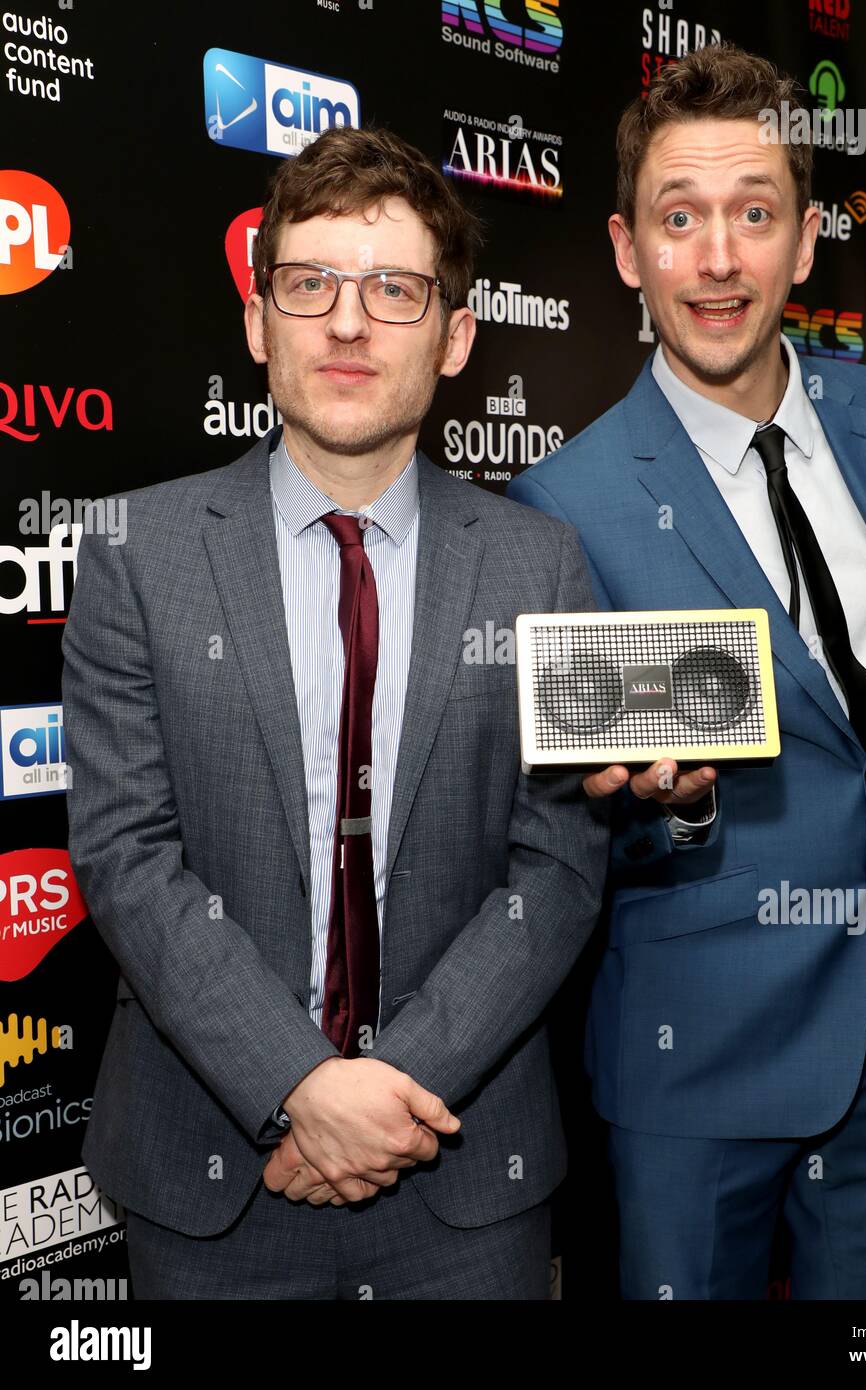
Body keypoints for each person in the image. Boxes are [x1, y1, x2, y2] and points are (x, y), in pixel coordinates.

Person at [62, 124, 608, 1300]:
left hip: (461, 1183)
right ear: (259, 322)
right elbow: (125, 855)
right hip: (213, 1184)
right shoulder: (133, 552)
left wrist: (386, 1094)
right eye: (308, 284)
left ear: (456, 335)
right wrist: (298, 1086)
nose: (347, 323)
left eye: (393, 289)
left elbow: (556, 865)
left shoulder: (541, 567)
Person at [508, 43, 866, 1300]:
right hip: (693, 1064)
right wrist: (669, 803)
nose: (717, 260)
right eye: (679, 218)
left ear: (804, 242)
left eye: (753, 214)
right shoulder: (565, 505)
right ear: (623, 249)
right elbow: (571, 822)